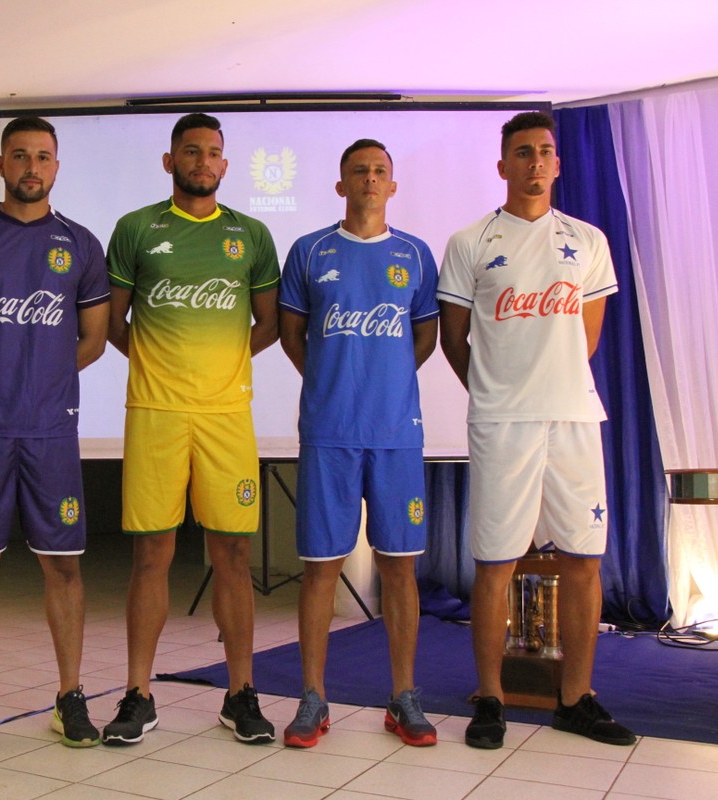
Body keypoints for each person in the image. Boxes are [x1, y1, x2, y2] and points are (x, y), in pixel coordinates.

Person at [437, 111, 635, 750]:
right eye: (522, 152)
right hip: (502, 423)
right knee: (494, 562)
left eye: (545, 151)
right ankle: (490, 697)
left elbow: (589, 336)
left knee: (584, 559)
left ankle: (576, 698)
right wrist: (498, 392)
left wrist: (550, 385)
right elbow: (453, 340)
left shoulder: (588, 240)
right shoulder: (470, 241)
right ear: (502, 165)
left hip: (574, 417)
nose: (535, 161)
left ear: (558, 163)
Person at [0, 116, 110, 752]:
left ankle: (70, 696)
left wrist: (42, 382)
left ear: (56, 167)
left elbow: (93, 338)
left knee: (63, 565)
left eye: (44, 157)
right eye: (20, 156)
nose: (32, 167)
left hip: (51, 433)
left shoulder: (80, 245)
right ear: (2, 165)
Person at [102, 113, 280, 745]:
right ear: (169, 159)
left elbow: (270, 324)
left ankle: (241, 694)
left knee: (233, 553)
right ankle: (137, 695)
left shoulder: (251, 234)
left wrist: (220, 371)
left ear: (226, 166)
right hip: (155, 413)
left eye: (213, 153)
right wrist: (160, 369)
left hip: (227, 416)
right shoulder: (135, 230)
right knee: (152, 553)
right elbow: (113, 324)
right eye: (191, 151)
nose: (203, 161)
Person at [278, 139, 439, 748]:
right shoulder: (310, 252)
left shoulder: (415, 256)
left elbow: (421, 341)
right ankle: (312, 698)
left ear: (392, 186)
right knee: (321, 569)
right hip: (329, 434)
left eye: (380, 172)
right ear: (340, 183)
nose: (370, 180)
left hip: (396, 436)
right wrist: (331, 384)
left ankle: (404, 698)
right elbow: (294, 336)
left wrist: (384, 383)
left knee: (400, 567)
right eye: (358, 171)